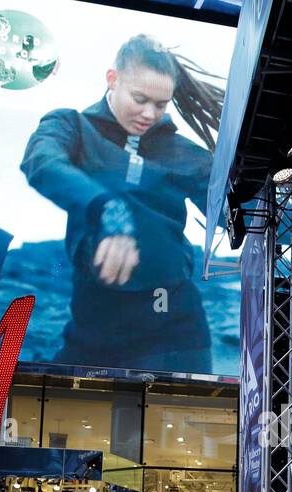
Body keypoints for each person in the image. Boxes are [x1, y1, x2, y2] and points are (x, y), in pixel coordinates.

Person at [20, 34, 224, 372]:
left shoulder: (185, 154)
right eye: (140, 99)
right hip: (93, 326)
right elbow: (42, 162)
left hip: (175, 329)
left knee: (177, 423)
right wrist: (107, 209)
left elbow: (236, 212)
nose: (149, 114)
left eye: (161, 105)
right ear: (112, 79)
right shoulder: (71, 126)